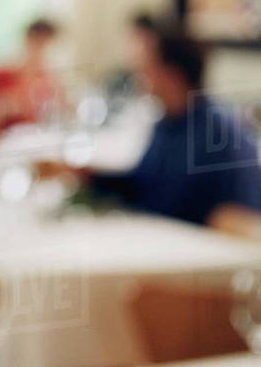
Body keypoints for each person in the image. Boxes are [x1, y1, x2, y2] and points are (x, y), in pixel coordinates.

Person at [47, 28, 261, 225]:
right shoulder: (168, 122)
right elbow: (144, 184)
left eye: (147, 66)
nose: (139, 74)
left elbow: (173, 203)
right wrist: (83, 176)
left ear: (171, 74)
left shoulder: (218, 132)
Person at [0, 18, 66, 146]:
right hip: (2, 155)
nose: (45, 55)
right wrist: (0, 109)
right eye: (41, 46)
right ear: (29, 41)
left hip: (36, 152)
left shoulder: (49, 84)